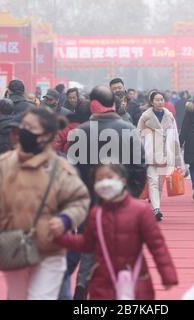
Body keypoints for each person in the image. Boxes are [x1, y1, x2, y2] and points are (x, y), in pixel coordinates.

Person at [0, 107, 91, 300]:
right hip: (13, 249)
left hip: (50, 249)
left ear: (46, 136)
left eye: (30, 127)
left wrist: (65, 220)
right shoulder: (4, 164)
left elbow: (79, 200)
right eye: (23, 126)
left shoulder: (60, 168)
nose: (24, 131)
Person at [68, 85, 148, 300]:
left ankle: (83, 285)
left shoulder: (81, 131)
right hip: (121, 201)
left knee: (88, 247)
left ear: (93, 105)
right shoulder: (128, 129)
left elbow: (72, 171)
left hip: (88, 202)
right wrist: (131, 195)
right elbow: (140, 166)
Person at [54, 164, 178, 300]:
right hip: (102, 282)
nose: (105, 183)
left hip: (135, 279)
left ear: (123, 181)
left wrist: (167, 274)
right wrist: (60, 238)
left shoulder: (141, 211)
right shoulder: (96, 214)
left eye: (110, 177)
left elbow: (157, 245)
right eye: (99, 179)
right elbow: (87, 243)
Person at [137, 91, 185, 221]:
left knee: (159, 183)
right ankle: (156, 209)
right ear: (151, 102)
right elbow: (138, 136)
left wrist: (176, 158)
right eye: (157, 100)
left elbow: (175, 137)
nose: (160, 102)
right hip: (150, 154)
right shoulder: (145, 117)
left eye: (161, 99)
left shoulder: (169, 117)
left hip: (165, 153)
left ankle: (156, 206)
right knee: (152, 181)